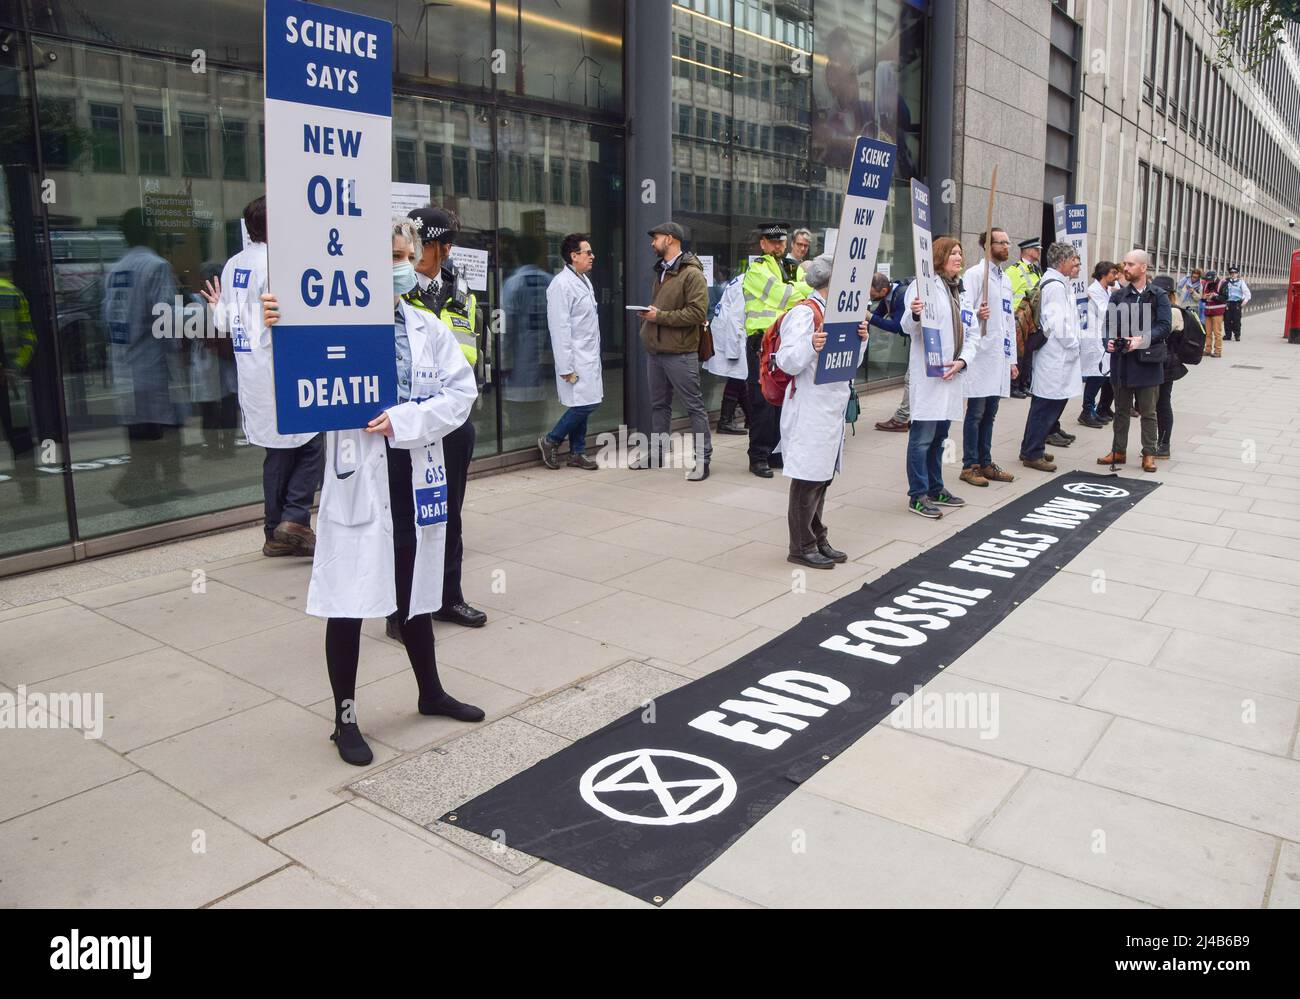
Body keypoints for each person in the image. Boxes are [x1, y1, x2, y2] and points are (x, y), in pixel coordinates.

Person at [261, 217, 484, 767]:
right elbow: (291, 397)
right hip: (359, 479)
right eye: (391, 257)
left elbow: (461, 394)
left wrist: (405, 420)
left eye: (405, 256)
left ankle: (430, 692)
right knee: (350, 598)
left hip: (415, 469)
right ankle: (345, 720)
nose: (402, 267)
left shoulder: (426, 327)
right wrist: (278, 329)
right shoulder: (329, 329)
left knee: (416, 590)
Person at [200, 196, 323, 557]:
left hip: (251, 373)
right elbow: (288, 319)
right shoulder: (279, 264)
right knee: (312, 442)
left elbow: (224, 321)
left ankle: (275, 532)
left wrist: (214, 305)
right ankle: (296, 517)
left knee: (278, 453)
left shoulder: (235, 263)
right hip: (281, 366)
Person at [775, 255, 869, 568]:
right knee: (807, 479)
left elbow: (849, 364)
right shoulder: (805, 313)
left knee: (823, 477)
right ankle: (801, 546)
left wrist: (861, 341)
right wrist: (811, 346)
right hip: (810, 409)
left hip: (831, 409)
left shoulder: (839, 314)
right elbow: (786, 361)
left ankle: (817, 535)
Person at [102, 208, 189, 506]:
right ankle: (151, 484)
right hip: (151, 362)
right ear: (149, 231)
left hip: (124, 363)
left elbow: (105, 315)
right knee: (166, 427)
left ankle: (151, 483)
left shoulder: (115, 269)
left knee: (139, 431)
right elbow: (164, 316)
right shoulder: (156, 266)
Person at [899, 236, 977, 518]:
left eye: (960, 252)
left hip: (952, 373)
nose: (958, 257)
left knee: (940, 437)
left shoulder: (961, 291)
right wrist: (915, 314)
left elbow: (971, 333)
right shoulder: (922, 287)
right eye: (952, 253)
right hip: (929, 375)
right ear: (939, 256)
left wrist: (962, 361)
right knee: (922, 438)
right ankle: (917, 494)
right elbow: (907, 327)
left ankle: (935, 487)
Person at [638, 222, 711, 481]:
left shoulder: (691, 274)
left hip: (680, 352)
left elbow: (697, 313)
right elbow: (666, 310)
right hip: (656, 350)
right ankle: (657, 454)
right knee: (659, 405)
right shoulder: (662, 271)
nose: (652, 243)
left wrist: (659, 317)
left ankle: (703, 461)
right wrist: (651, 315)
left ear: (669, 239)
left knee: (694, 407)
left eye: (655, 238)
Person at [1098, 249, 1172, 473]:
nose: (1125, 268)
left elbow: (1165, 326)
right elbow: (1107, 325)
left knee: (1148, 411)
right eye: (1124, 264)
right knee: (1120, 410)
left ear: (1143, 268)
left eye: (1130, 264)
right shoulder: (1118, 295)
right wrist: (1108, 342)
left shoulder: (1157, 295)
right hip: (1121, 362)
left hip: (1147, 362)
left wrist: (1142, 339)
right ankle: (1118, 451)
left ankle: (1149, 453)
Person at [744, 223, 807, 477]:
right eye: (772, 241)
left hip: (787, 340)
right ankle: (758, 455)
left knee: (784, 398)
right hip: (763, 341)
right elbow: (783, 296)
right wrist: (797, 291)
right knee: (762, 400)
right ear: (762, 244)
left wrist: (796, 291)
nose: (778, 246)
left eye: (781, 241)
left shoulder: (793, 267)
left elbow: (807, 292)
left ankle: (776, 452)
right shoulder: (756, 269)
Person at [959, 228, 1017, 487]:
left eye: (1007, 242)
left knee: (990, 413)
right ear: (987, 246)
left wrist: (1012, 358)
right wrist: (976, 314)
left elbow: (1008, 321)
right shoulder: (974, 275)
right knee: (976, 413)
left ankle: (985, 461)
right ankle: (969, 465)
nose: (1006, 246)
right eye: (1001, 242)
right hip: (980, 355)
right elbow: (962, 310)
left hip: (998, 357)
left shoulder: (1004, 279)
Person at [539, 232, 602, 471]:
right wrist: (566, 366)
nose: (592, 256)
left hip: (588, 355)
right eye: (588, 252)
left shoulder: (584, 280)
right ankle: (552, 440)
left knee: (584, 402)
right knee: (586, 404)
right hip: (574, 357)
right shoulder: (561, 285)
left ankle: (577, 452)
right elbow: (559, 328)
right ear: (574, 256)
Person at [1019, 242, 1082, 472]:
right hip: (1056, 355)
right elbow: (1057, 322)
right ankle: (1032, 452)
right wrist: (1074, 345)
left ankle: (1032, 447)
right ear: (1062, 261)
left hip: (1057, 355)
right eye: (1074, 259)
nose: (1076, 264)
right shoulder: (1055, 285)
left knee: (1046, 404)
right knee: (1046, 405)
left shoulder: (1058, 282)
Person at [1152, 274, 1199, 459]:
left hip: (1167, 363)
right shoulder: (1160, 308)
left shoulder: (1173, 312)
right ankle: (1153, 443)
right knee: (1153, 404)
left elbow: (1158, 333)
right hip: (1158, 361)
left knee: (1162, 403)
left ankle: (1164, 444)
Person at [705, 264, 750, 434]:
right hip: (730, 337)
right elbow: (734, 319)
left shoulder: (742, 280)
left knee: (740, 377)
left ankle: (749, 418)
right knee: (738, 376)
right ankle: (725, 421)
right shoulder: (745, 286)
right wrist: (733, 352)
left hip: (730, 334)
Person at [870, 272, 913, 432]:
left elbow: (898, 326)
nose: (870, 296)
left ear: (883, 291)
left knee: (911, 379)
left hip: (922, 340)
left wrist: (870, 318)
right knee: (914, 379)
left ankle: (902, 419)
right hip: (916, 339)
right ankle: (914, 416)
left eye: (872, 293)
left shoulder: (900, 296)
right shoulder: (888, 296)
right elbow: (877, 315)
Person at [1079, 260, 1118, 428]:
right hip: (1093, 339)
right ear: (1103, 274)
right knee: (1096, 375)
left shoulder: (1107, 290)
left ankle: (1093, 410)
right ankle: (1086, 411)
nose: (1115, 277)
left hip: (1103, 338)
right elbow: (1105, 312)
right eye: (1113, 273)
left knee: (1102, 375)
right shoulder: (1093, 291)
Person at [1006, 236, 1042, 398]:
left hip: (1032, 319)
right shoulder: (1014, 270)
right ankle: (1013, 385)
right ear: (1027, 251)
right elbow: (1007, 294)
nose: (1039, 252)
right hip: (1017, 317)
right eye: (1036, 249)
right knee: (1018, 353)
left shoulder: (1037, 270)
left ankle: (1023, 384)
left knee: (1028, 352)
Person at [1200, 269, 1225, 357]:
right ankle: (1207, 350)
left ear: (1214, 277)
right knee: (1208, 332)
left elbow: (1225, 298)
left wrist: (1214, 297)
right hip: (1208, 311)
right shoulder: (1206, 283)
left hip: (1217, 312)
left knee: (1217, 332)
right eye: (1207, 279)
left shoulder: (1222, 283)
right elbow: (1203, 298)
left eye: (1210, 279)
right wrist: (1204, 297)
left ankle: (1218, 351)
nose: (1208, 281)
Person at [1223, 265, 1251, 342]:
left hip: (1236, 303)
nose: (1233, 274)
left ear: (1237, 274)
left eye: (1235, 272)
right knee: (1227, 320)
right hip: (1228, 303)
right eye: (1231, 272)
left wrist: (1244, 302)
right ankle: (1228, 335)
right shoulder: (1226, 282)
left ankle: (1237, 335)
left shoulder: (1241, 282)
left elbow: (1248, 294)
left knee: (1236, 320)